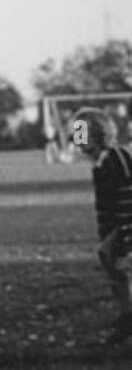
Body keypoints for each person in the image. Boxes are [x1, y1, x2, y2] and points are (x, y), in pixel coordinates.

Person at [70, 107, 132, 344]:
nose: (77, 140)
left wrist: (126, 243)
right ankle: (127, 316)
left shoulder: (117, 159)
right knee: (111, 265)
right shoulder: (101, 163)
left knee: (120, 266)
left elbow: (127, 202)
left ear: (97, 133)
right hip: (113, 229)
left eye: (81, 132)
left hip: (124, 228)